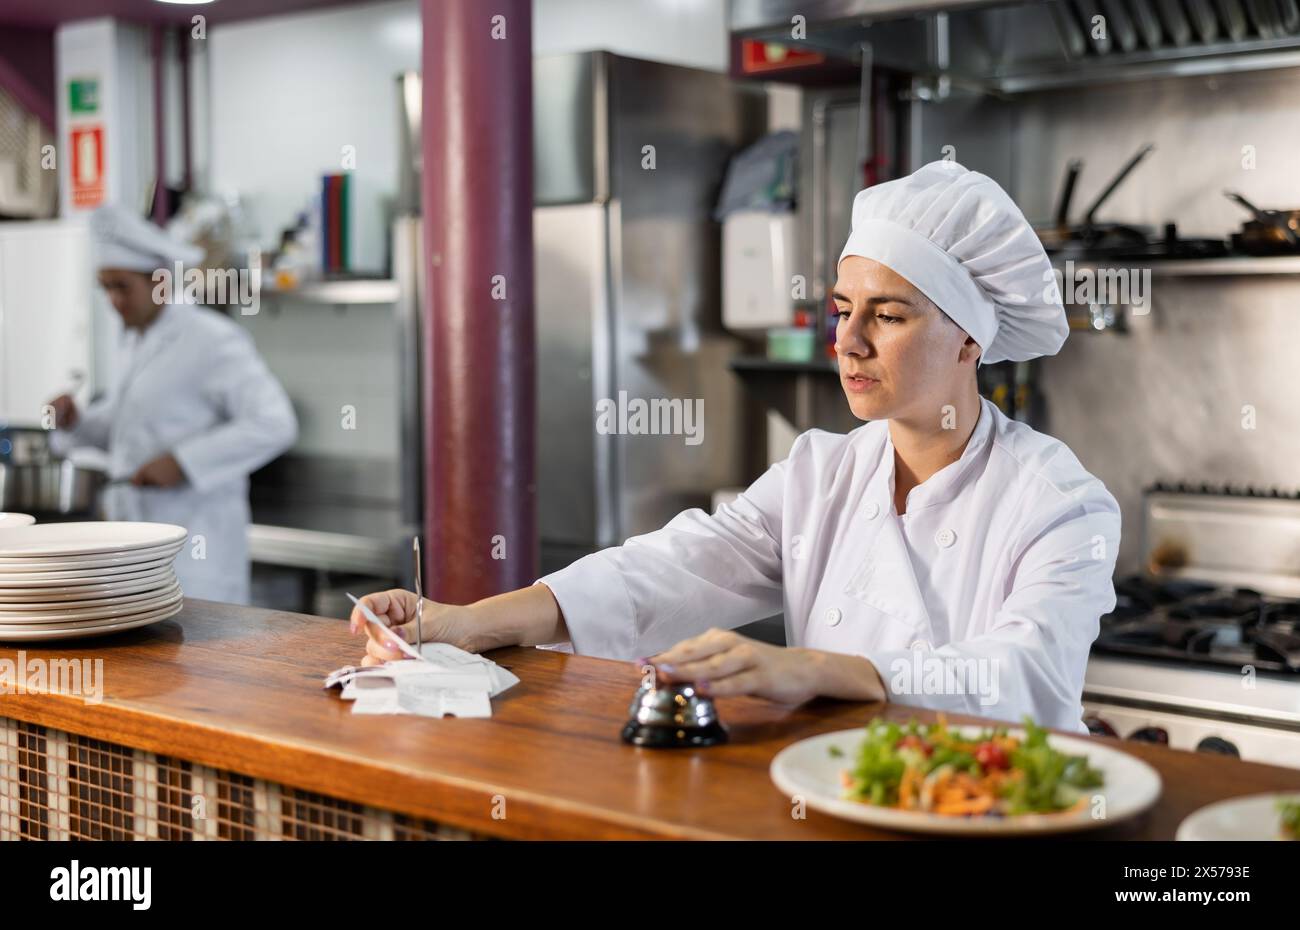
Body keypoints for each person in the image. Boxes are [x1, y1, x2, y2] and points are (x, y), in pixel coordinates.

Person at [350, 161, 1121, 732]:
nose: (846, 343)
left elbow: (1024, 670)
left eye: (887, 315)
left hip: (995, 808)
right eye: (842, 308)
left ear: (967, 340)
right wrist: (468, 620)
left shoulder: (1058, 503)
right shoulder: (824, 471)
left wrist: (813, 667)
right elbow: (671, 568)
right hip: (832, 793)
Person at [50, 204, 297, 604]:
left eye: (122, 287)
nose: (113, 301)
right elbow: (126, 425)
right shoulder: (135, 341)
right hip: (136, 553)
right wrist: (77, 422)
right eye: (105, 287)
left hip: (197, 559)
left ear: (160, 282)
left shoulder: (212, 339)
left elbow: (275, 422)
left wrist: (183, 462)